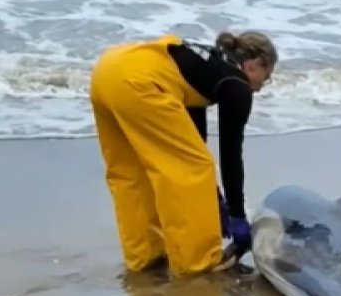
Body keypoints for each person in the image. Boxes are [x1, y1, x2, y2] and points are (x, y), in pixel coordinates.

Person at [89, 31, 278, 277]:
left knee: (131, 173)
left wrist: (216, 197)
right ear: (255, 64)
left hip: (107, 70)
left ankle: (145, 256)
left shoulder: (205, 66)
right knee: (194, 169)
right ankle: (197, 263)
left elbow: (193, 140)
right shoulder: (237, 83)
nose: (262, 87)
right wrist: (237, 215)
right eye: (267, 76)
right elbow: (230, 154)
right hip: (140, 82)